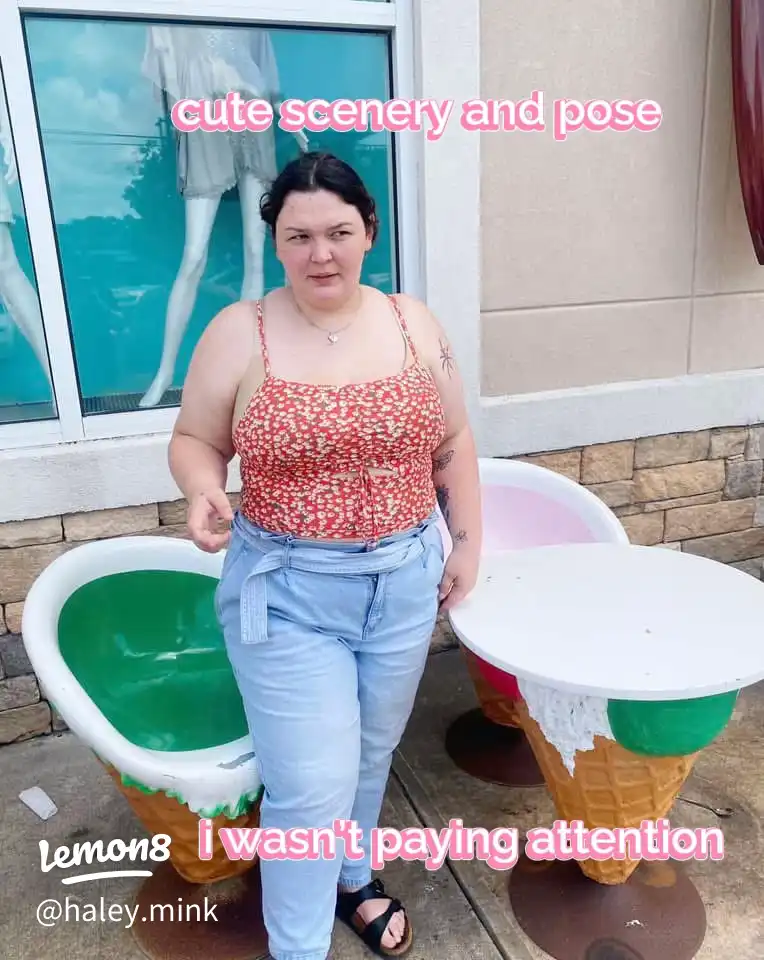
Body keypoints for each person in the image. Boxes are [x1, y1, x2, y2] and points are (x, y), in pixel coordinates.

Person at [168, 151, 482, 960]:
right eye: (298, 235)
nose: (321, 254)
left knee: (372, 752)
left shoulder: (415, 324)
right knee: (309, 788)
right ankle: (298, 946)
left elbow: (450, 439)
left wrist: (467, 541)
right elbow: (196, 439)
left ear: (369, 233)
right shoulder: (243, 333)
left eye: (339, 232)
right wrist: (205, 488)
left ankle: (352, 874)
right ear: (275, 240)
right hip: (288, 592)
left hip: (405, 580)